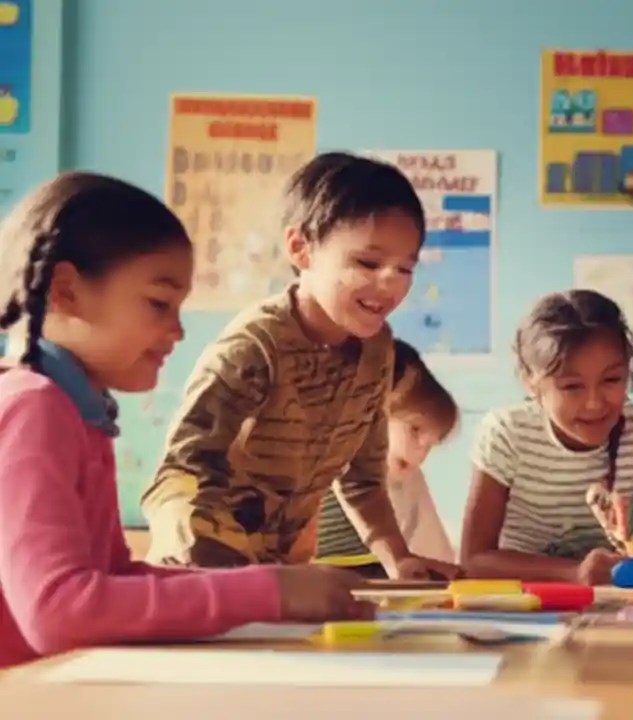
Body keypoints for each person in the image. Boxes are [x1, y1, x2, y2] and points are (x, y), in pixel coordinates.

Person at [0, 173, 370, 668]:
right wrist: (268, 591)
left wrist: (280, 586)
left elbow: (114, 577)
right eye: (158, 303)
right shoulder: (34, 406)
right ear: (66, 291)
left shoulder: (75, 411)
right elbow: (58, 611)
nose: (176, 331)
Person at [141, 152, 455, 580]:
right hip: (203, 570)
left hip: (283, 569)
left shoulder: (378, 349)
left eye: (405, 268)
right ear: (300, 248)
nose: (390, 283)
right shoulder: (254, 347)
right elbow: (181, 472)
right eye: (367, 262)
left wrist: (398, 560)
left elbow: (363, 480)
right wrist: (216, 574)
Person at [460, 289, 633, 584]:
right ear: (530, 380)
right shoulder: (506, 433)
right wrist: (574, 573)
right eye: (571, 386)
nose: (594, 403)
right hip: (522, 600)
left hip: (611, 599)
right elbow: (473, 561)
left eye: (612, 380)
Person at [314, 338, 461, 568]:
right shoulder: (310, 465)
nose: (421, 451)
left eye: (430, 445)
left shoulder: (409, 480)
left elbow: (433, 548)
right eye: (414, 430)